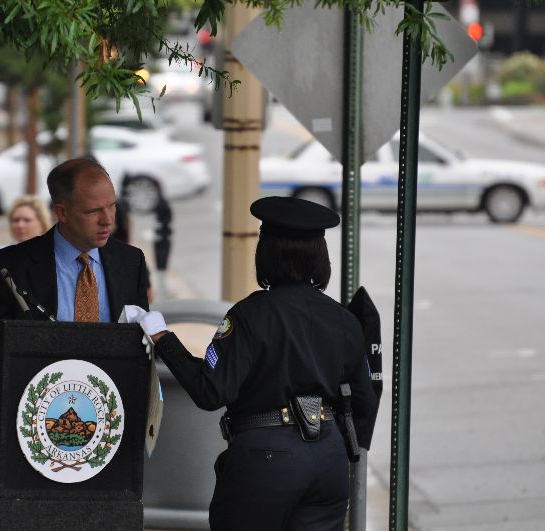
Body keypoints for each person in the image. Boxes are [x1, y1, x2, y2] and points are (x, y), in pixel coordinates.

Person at [131, 196, 380, 531]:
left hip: (265, 459)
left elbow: (211, 391)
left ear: (266, 253)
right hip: (328, 460)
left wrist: (163, 338)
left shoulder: (250, 315)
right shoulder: (344, 321)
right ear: (321, 257)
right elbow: (364, 400)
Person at [0, 157, 150, 355]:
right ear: (62, 212)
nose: (108, 220)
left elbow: (140, 346)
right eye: (93, 211)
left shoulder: (131, 261)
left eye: (112, 206)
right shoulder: (8, 267)